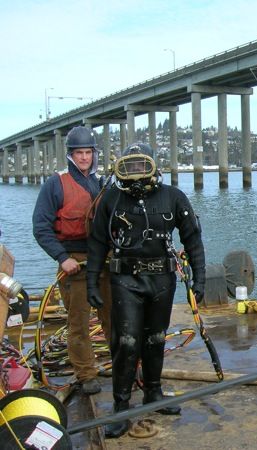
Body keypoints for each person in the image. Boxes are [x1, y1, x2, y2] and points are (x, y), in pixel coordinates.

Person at [86, 142, 206, 438]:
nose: (137, 173)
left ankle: (153, 393)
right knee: (126, 342)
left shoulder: (173, 197)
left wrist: (199, 280)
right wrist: (91, 282)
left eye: (142, 166)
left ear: (153, 166)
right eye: (131, 167)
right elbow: (98, 242)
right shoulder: (112, 198)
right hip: (125, 280)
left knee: (155, 339)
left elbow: (192, 239)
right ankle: (121, 406)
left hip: (162, 281)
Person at [32, 125, 112, 395]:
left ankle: (123, 365)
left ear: (94, 154)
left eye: (88, 152)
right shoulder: (55, 184)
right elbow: (41, 228)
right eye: (79, 153)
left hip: (103, 259)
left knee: (113, 316)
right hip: (74, 261)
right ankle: (86, 374)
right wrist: (62, 257)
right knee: (78, 323)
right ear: (70, 155)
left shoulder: (102, 184)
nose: (84, 157)